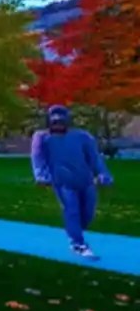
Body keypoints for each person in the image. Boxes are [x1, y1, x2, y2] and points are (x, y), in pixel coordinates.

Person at [31, 105, 113, 260]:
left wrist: (103, 174)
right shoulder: (42, 137)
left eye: (61, 122)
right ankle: (78, 244)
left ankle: (74, 232)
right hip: (63, 182)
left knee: (87, 214)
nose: (58, 125)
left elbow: (94, 158)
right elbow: (38, 159)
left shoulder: (82, 137)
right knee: (72, 211)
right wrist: (41, 176)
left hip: (86, 181)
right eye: (54, 122)